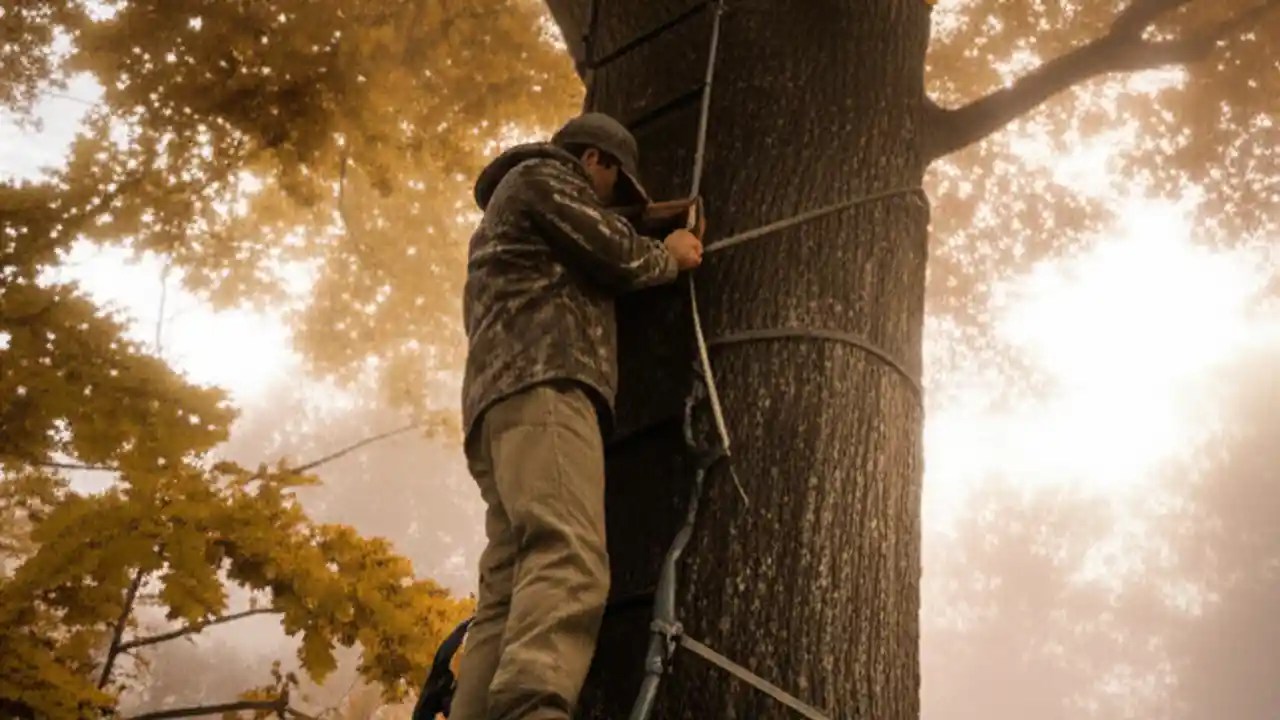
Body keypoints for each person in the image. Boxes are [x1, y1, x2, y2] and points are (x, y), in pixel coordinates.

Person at [449, 112, 704, 720]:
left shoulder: (519, 202)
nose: (612, 204)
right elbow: (617, 252)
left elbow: (596, 228)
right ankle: (533, 707)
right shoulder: (545, 176)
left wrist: (643, 216)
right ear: (596, 162)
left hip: (501, 408)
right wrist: (668, 254)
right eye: (615, 190)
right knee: (569, 553)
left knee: (508, 591)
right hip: (548, 387)